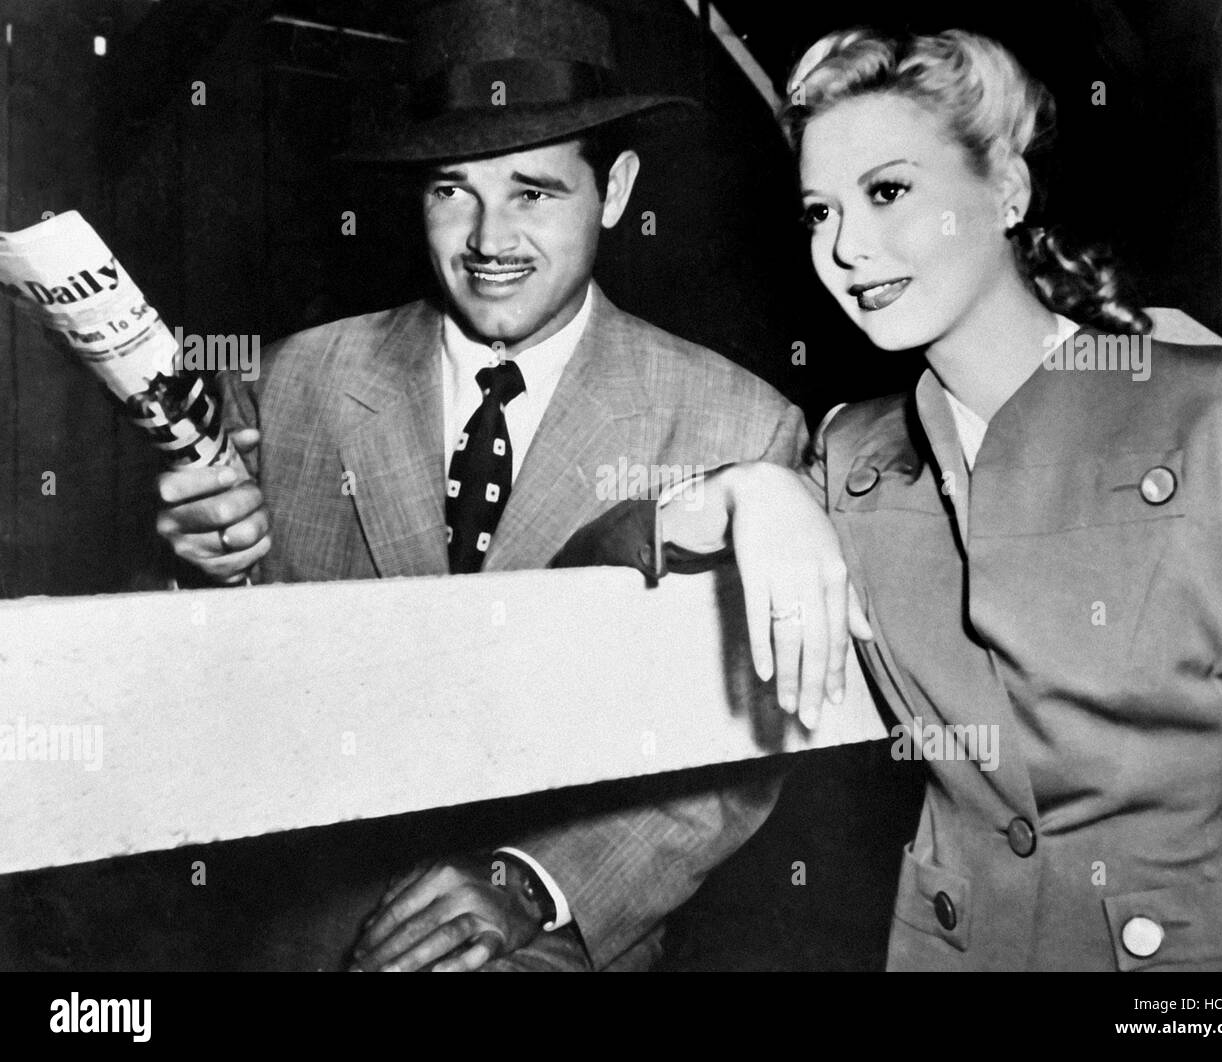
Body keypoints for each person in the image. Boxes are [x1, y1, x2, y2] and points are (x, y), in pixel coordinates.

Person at [605, 27, 1222, 970]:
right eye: (819, 212)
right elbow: (592, 569)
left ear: (1006, 190)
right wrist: (742, 491)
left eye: (889, 192)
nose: (846, 248)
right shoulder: (854, 452)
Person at [154, 0, 805, 972]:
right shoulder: (292, 381)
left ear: (616, 190)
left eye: (533, 192)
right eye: (452, 190)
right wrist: (193, 574)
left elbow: (735, 757)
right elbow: (199, 689)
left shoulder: (739, 425)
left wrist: (522, 888)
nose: (486, 237)